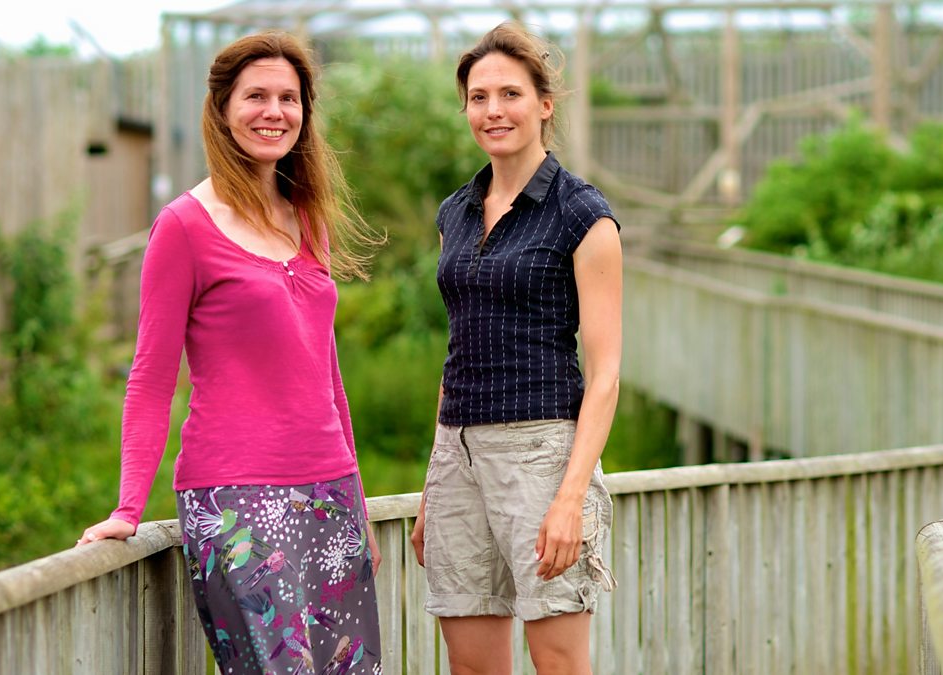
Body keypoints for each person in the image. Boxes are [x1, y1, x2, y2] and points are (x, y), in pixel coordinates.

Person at [76, 31, 383, 675]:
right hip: (238, 499)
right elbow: (151, 378)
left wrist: (354, 495)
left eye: (289, 98)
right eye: (256, 96)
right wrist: (129, 507)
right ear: (221, 109)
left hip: (329, 493)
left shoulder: (308, 217)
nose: (275, 111)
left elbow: (325, 373)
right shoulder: (183, 226)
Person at [410, 21, 622, 675]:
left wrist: (570, 497)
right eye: (479, 97)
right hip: (458, 454)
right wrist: (432, 483)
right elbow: (460, 344)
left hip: (542, 452)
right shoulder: (456, 212)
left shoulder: (583, 215)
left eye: (510, 94)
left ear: (544, 104)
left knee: (557, 662)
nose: (493, 110)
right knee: (472, 665)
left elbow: (607, 372)